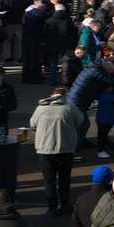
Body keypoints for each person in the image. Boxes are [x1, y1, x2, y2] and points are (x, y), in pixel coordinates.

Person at [31, 85, 84, 214]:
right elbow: (81, 121)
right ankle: (65, 205)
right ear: (65, 95)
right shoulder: (69, 107)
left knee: (49, 180)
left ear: (52, 94)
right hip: (65, 149)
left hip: (45, 150)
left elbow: (32, 125)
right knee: (64, 179)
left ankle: (52, 207)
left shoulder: (40, 108)